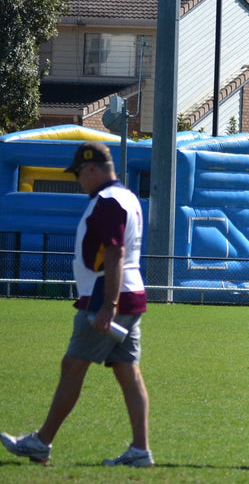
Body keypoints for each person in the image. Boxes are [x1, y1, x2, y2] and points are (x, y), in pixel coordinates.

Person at [2, 143, 152, 467]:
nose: (78, 181)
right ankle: (140, 450)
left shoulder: (108, 201)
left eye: (79, 174)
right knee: (128, 373)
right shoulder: (127, 197)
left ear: (92, 169)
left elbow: (114, 253)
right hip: (128, 293)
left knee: (73, 366)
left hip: (107, 295)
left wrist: (107, 304)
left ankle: (41, 442)